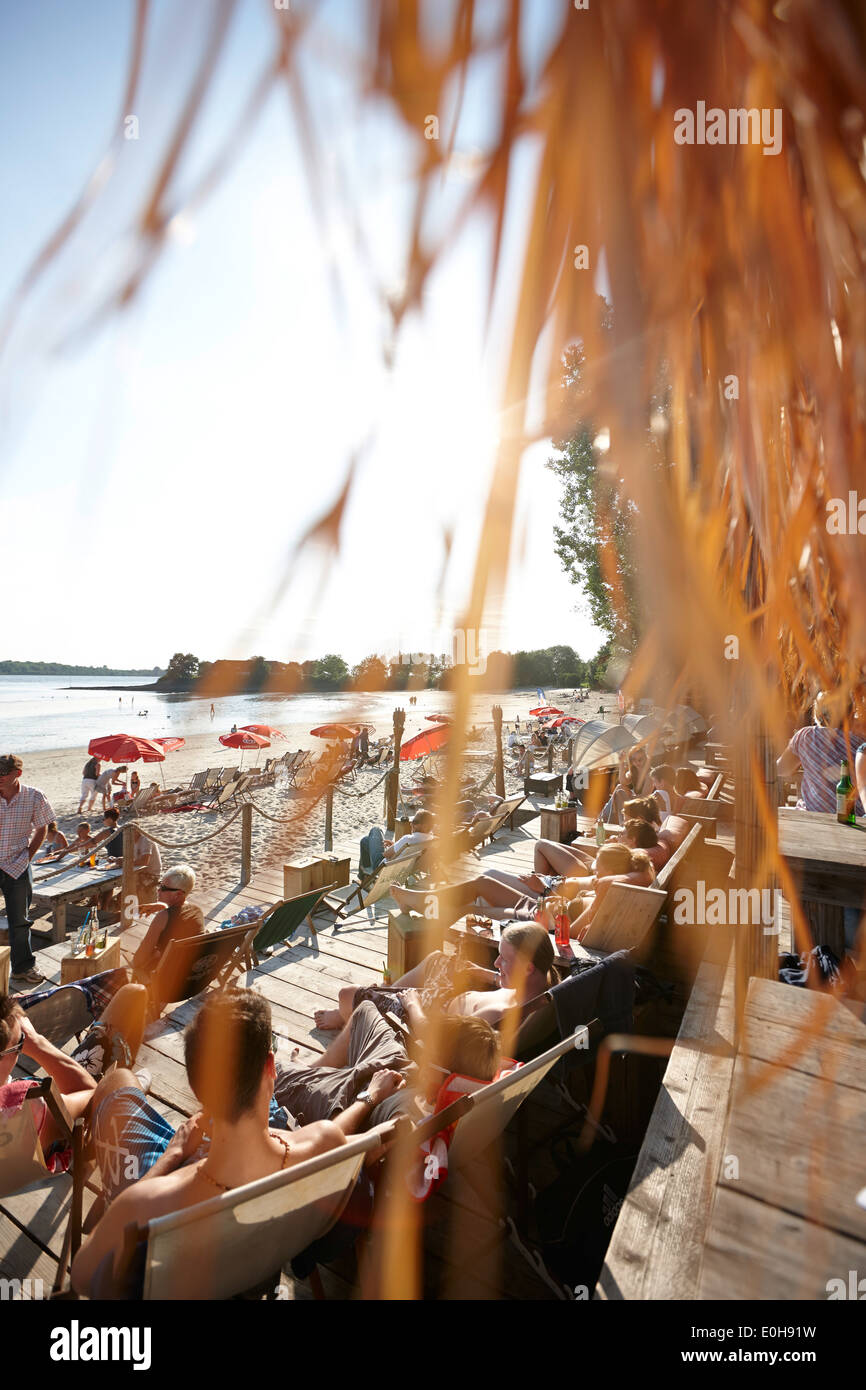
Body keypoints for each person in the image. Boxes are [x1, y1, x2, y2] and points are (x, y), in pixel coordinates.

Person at [70, 989, 406, 1297]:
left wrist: (171, 1158)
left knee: (118, 1081)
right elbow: (339, 1139)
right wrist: (369, 1097)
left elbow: (83, 1277)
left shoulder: (142, 1206)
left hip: (179, 1217)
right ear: (271, 1068)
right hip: (261, 1259)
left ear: (196, 1089)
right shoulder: (322, 1147)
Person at [314, 923, 554, 1034]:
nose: (496, 963)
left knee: (346, 995)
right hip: (448, 997)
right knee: (437, 958)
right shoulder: (543, 985)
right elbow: (506, 982)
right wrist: (488, 976)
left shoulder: (497, 1017)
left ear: (527, 968)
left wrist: (412, 1005)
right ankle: (389, 994)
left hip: (425, 1014)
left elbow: (435, 1042)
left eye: (503, 959)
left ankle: (349, 1016)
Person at [0, 993, 98, 1166]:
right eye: (20, 1042)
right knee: (131, 995)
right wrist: (38, 1043)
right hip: (58, 1163)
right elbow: (95, 1096)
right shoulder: (23, 1106)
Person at [0, 755, 54, 988]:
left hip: (18, 866)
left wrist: (28, 856)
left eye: (2, 775)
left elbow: (43, 827)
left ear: (17, 774)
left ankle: (22, 968)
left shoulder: (34, 796)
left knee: (20, 921)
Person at [777, 691, 866, 816]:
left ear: (817, 714)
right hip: (855, 819)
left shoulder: (806, 736)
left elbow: (781, 769)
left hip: (813, 817)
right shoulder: (861, 741)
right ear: (850, 713)